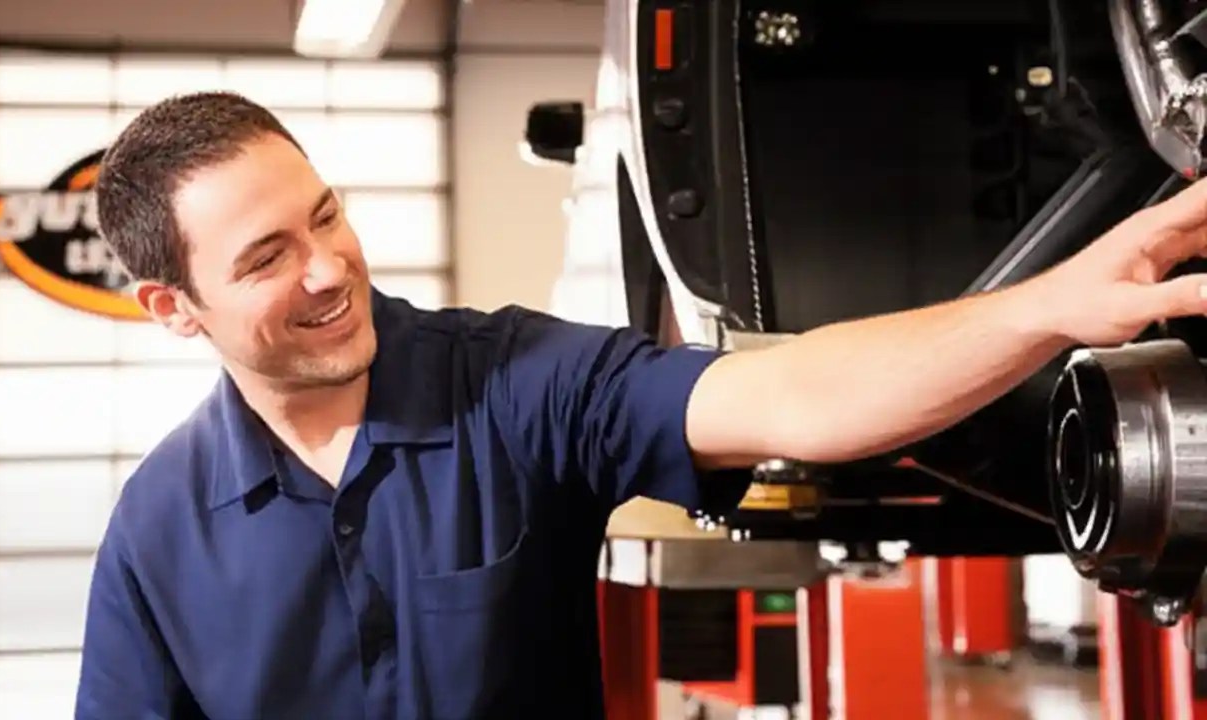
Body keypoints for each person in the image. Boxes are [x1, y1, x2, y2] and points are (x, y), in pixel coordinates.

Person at [74, 89, 1207, 720]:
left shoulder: (510, 383)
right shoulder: (157, 530)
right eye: (268, 257)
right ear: (174, 308)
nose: (329, 268)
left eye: (326, 215)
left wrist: (1046, 307)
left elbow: (791, 394)